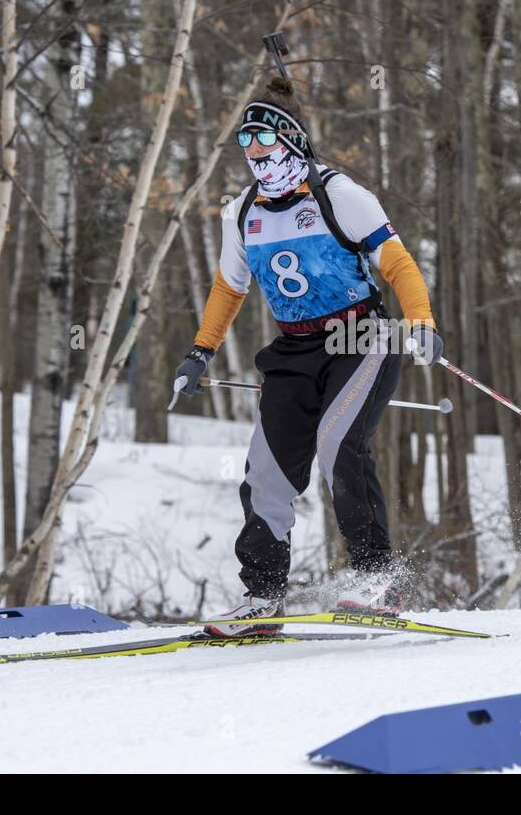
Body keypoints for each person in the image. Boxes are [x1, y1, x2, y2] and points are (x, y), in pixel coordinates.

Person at [175, 76, 444, 636]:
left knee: (338, 444)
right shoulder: (241, 213)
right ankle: (262, 597)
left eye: (266, 149)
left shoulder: (340, 195)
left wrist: (420, 321)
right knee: (266, 474)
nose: (257, 163)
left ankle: (376, 578)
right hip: (293, 350)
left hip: (360, 340)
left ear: (293, 143)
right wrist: (200, 353)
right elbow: (230, 288)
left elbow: (397, 264)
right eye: (247, 153)